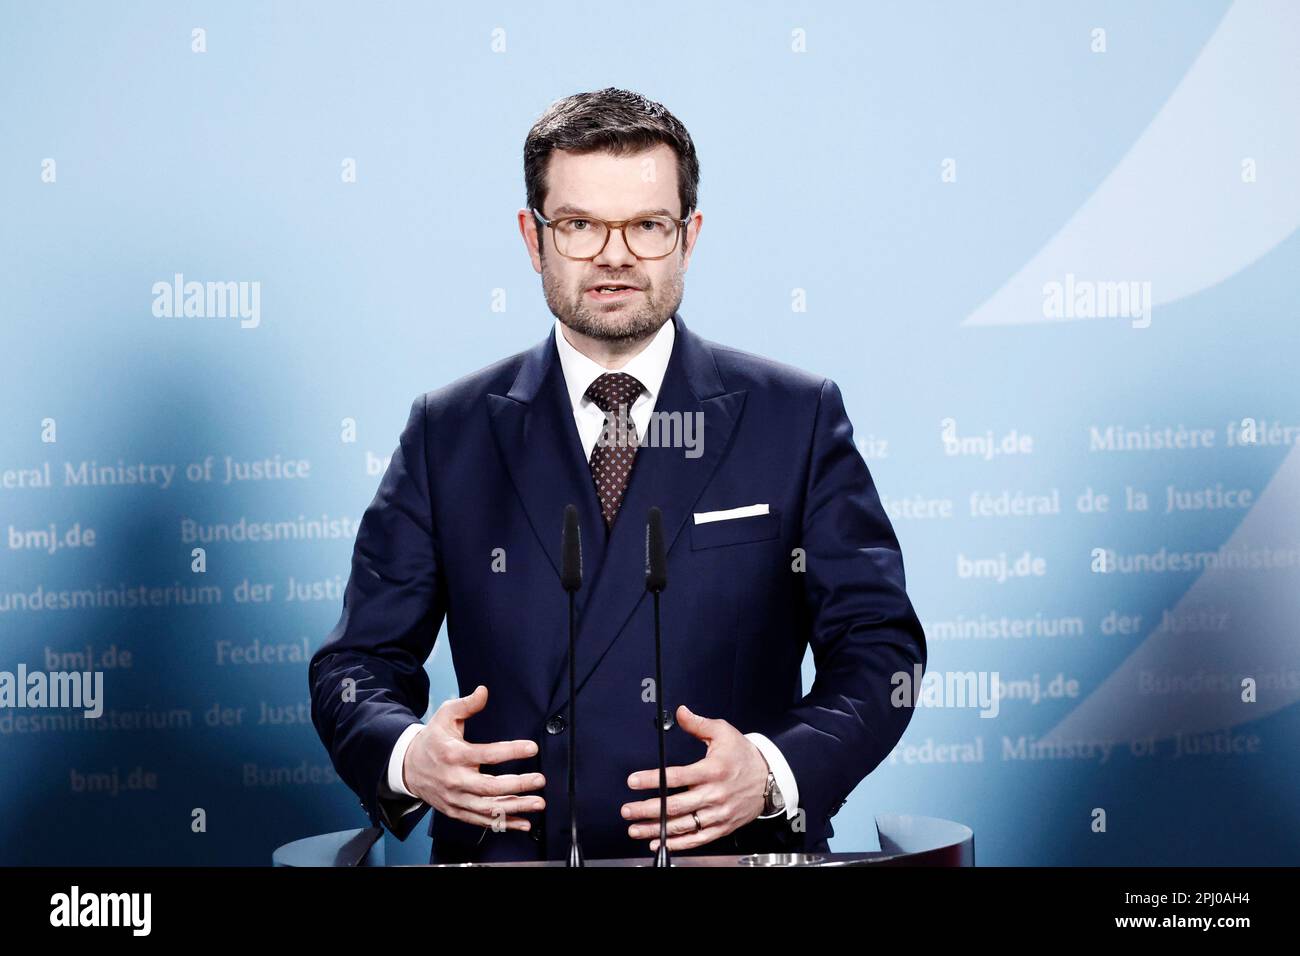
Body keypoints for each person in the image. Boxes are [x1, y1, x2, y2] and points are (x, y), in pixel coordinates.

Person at [308, 87, 927, 863]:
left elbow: (879, 648)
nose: (615, 254)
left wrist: (774, 770)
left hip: (729, 855)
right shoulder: (449, 431)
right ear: (532, 240)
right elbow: (356, 663)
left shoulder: (793, 418)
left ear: (688, 237)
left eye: (646, 226)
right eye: (579, 226)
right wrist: (409, 757)